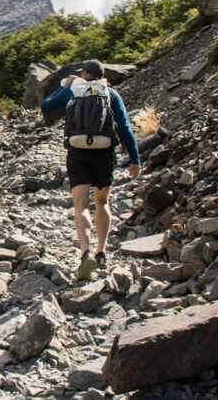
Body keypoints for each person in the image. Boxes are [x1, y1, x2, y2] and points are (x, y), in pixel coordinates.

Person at [41, 59, 140, 280]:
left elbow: (46, 106)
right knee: (102, 202)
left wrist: (64, 86)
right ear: (102, 75)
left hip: (78, 152)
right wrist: (134, 158)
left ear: (84, 74)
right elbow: (124, 127)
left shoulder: (73, 90)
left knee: (81, 205)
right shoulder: (110, 94)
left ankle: (85, 252)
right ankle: (101, 252)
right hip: (105, 152)